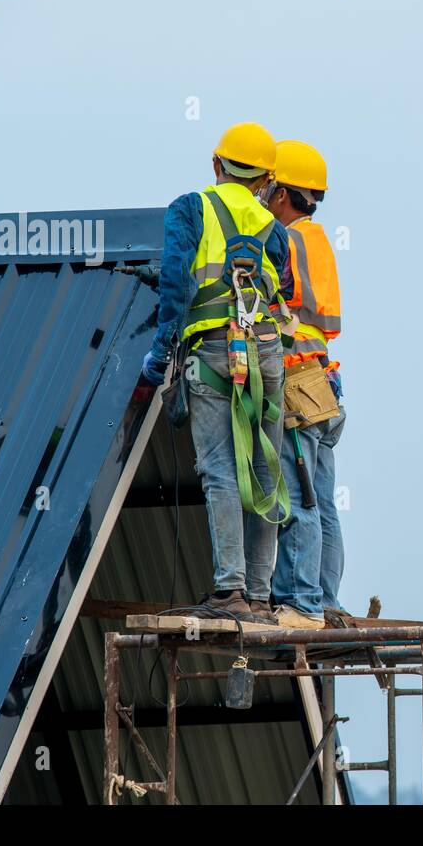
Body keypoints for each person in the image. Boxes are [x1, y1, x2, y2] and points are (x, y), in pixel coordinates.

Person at [141, 122, 300, 625]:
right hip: (268, 353)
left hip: (213, 353)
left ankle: (229, 591)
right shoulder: (275, 227)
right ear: (266, 182)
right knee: (264, 469)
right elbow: (284, 286)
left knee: (219, 469)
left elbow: (176, 280)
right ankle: (257, 598)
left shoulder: (193, 208)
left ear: (217, 165)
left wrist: (161, 349)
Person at [264, 140, 347, 628]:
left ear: (280, 191)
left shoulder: (285, 239)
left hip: (296, 378)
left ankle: (301, 602)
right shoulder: (317, 240)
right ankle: (326, 600)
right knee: (324, 500)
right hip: (323, 382)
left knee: (300, 498)